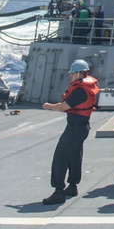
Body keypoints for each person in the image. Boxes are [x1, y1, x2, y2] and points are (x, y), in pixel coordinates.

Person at [41, 59, 99, 205]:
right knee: (74, 155)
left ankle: (58, 191)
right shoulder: (85, 88)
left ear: (80, 74)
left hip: (75, 127)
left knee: (61, 155)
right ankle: (72, 186)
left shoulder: (80, 91)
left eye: (72, 74)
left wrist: (49, 106)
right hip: (81, 126)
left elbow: (63, 107)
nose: (70, 77)